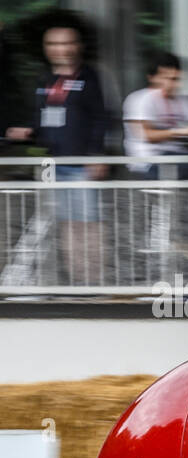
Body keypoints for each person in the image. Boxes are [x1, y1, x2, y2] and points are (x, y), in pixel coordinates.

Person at [4, 23, 109, 284]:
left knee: (87, 225)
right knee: (66, 226)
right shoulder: (45, 81)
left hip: (81, 164)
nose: (60, 49)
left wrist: (96, 155)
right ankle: (78, 284)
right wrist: (28, 131)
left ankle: (95, 284)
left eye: (66, 43)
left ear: (77, 46)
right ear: (46, 49)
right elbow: (44, 120)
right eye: (53, 44)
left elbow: (100, 119)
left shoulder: (89, 77)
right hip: (53, 165)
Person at [122, 53, 188, 178]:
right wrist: (184, 132)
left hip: (179, 157)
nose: (174, 84)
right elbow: (146, 135)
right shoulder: (139, 99)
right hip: (149, 162)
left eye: (177, 79)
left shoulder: (184, 101)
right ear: (151, 77)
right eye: (168, 78)